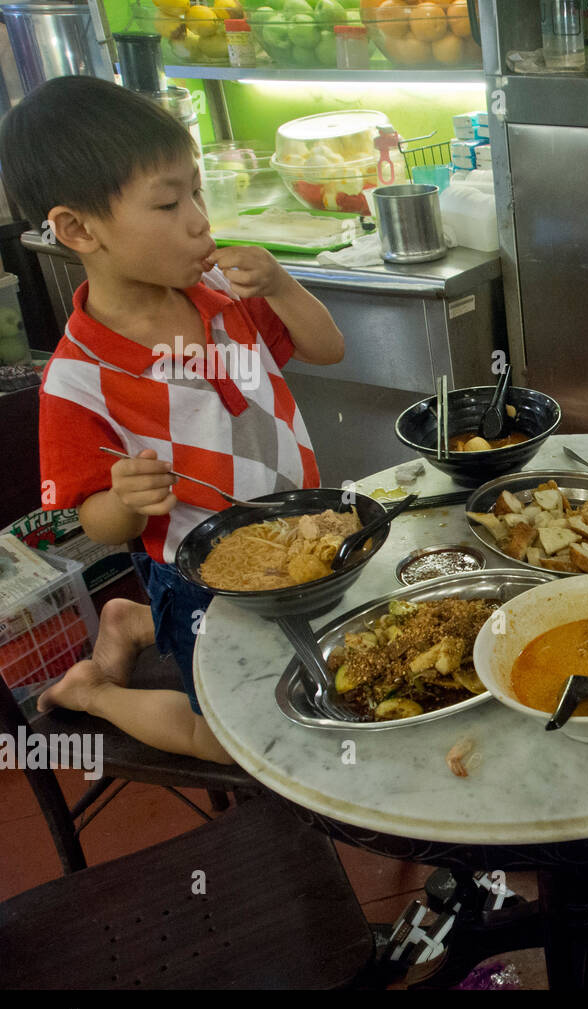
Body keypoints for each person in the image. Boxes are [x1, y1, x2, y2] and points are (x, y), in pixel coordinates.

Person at [0, 77, 344, 764]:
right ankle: (95, 692)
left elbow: (327, 348)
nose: (198, 221)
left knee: (324, 668)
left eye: (197, 193)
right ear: (78, 229)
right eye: (167, 202)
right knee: (232, 736)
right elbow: (96, 523)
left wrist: (282, 283)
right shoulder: (77, 378)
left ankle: (133, 621)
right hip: (198, 579)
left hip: (298, 542)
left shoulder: (221, 293)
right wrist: (126, 499)